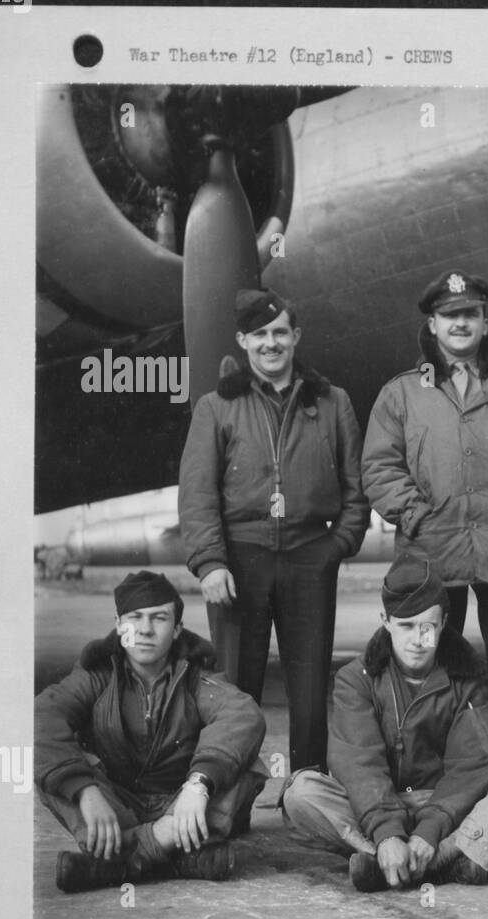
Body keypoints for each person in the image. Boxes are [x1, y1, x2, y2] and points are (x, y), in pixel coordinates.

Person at [280, 555, 488, 891]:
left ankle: (416, 860)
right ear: (385, 620)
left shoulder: (467, 673)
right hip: (378, 804)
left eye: (427, 627)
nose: (417, 640)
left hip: (448, 806)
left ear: (443, 623)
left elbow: (472, 765)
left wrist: (431, 830)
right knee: (300, 793)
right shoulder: (356, 678)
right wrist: (386, 833)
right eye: (406, 626)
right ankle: (417, 857)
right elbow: (359, 764)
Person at [178, 287, 369, 773]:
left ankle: (308, 793)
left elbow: (356, 490)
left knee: (309, 690)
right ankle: (232, 797)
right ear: (242, 340)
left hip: (311, 555)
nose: (271, 343)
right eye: (259, 334)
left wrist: (336, 547)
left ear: (296, 336)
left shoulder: (333, 403)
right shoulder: (216, 408)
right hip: (242, 560)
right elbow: (198, 495)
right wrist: (210, 563)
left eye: (280, 332)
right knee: (235, 692)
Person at [361, 270, 488, 663]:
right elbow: (378, 468)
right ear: (433, 324)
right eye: (450, 315)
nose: (460, 323)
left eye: (470, 314)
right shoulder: (400, 394)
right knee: (433, 667)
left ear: (485, 323)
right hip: (432, 551)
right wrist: (417, 517)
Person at [35, 571, 269, 892]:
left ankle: (119, 863)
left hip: (180, 805)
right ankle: (175, 854)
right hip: (116, 806)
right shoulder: (97, 674)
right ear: (119, 626)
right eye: (135, 618)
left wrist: (198, 786)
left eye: (159, 619)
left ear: (176, 630)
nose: (145, 630)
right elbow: (41, 717)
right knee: (51, 772)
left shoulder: (192, 673)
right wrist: (85, 790)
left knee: (249, 766)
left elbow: (243, 715)